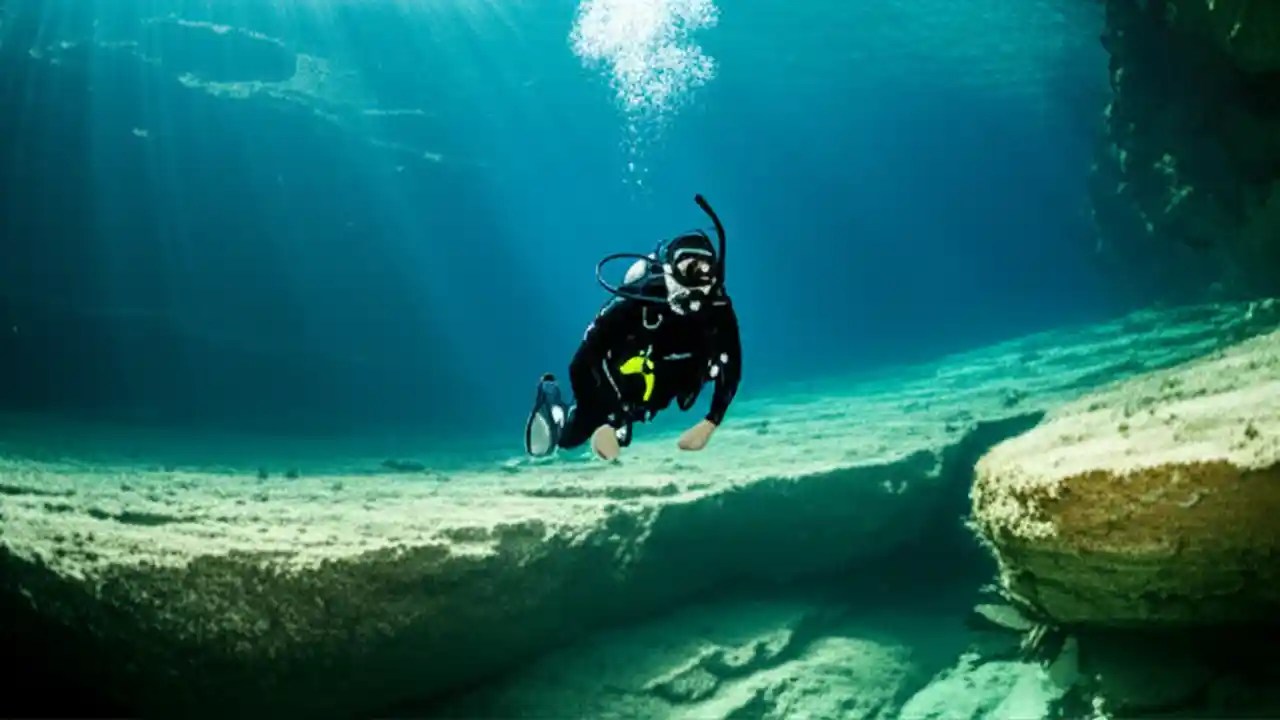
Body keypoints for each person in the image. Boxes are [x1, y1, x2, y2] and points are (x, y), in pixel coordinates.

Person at [524, 194, 742, 462]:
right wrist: (610, 416)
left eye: (707, 270)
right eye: (689, 268)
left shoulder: (717, 310)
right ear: (669, 272)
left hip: (654, 392)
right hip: (616, 390)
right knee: (571, 439)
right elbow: (581, 364)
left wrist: (711, 422)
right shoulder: (634, 304)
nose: (699, 280)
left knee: (625, 426)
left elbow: (731, 366)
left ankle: (619, 422)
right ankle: (553, 405)